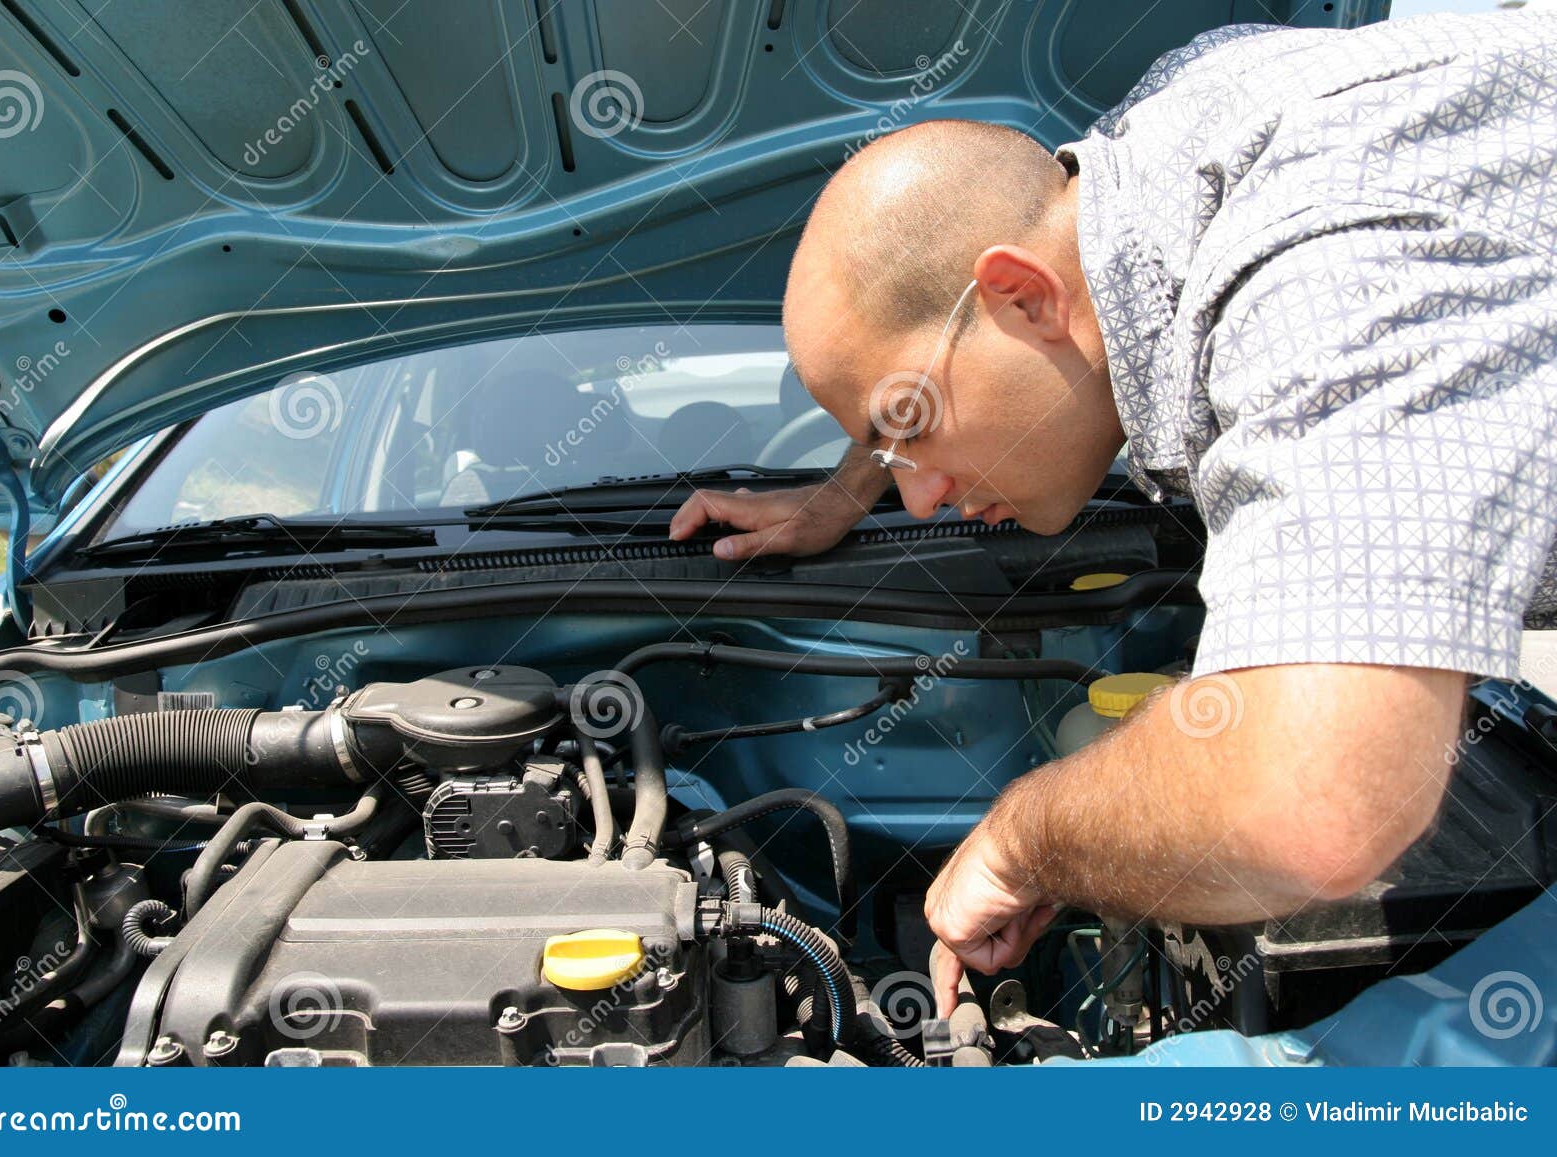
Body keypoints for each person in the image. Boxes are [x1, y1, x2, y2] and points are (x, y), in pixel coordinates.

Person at [666, 13, 1557, 1016]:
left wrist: (1024, 837)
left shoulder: (1326, 282)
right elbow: (948, 276)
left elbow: (1318, 800)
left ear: (1025, 297)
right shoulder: (1164, 136)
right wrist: (844, 489)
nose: (921, 495)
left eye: (907, 423)